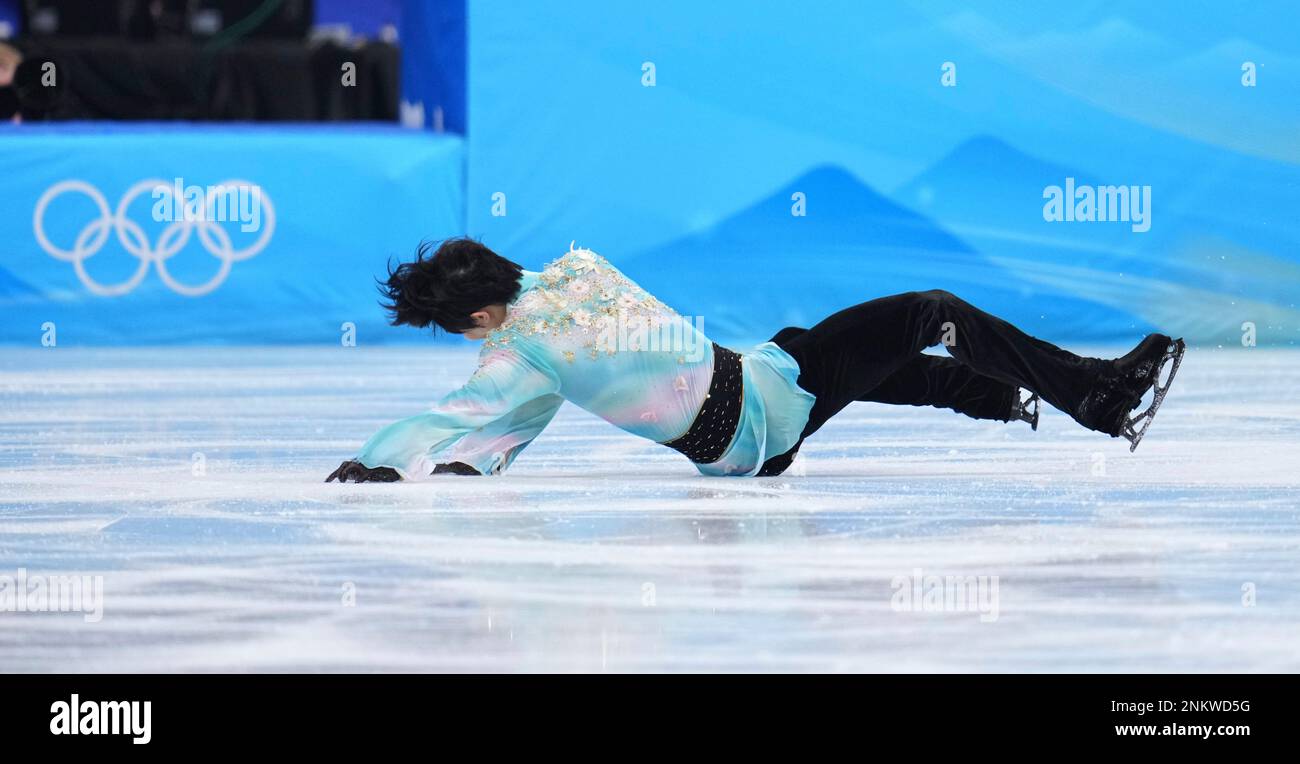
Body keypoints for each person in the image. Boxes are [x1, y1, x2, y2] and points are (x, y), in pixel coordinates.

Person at [326, 238, 1183, 482]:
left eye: (464, 329)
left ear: (478, 315)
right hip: (759, 408)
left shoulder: (519, 358)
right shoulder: (576, 268)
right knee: (928, 314)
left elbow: (470, 412)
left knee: (844, 349)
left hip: (745, 425)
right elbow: (512, 403)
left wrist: (383, 462)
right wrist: (471, 463)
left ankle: (1005, 397)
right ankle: (1093, 395)